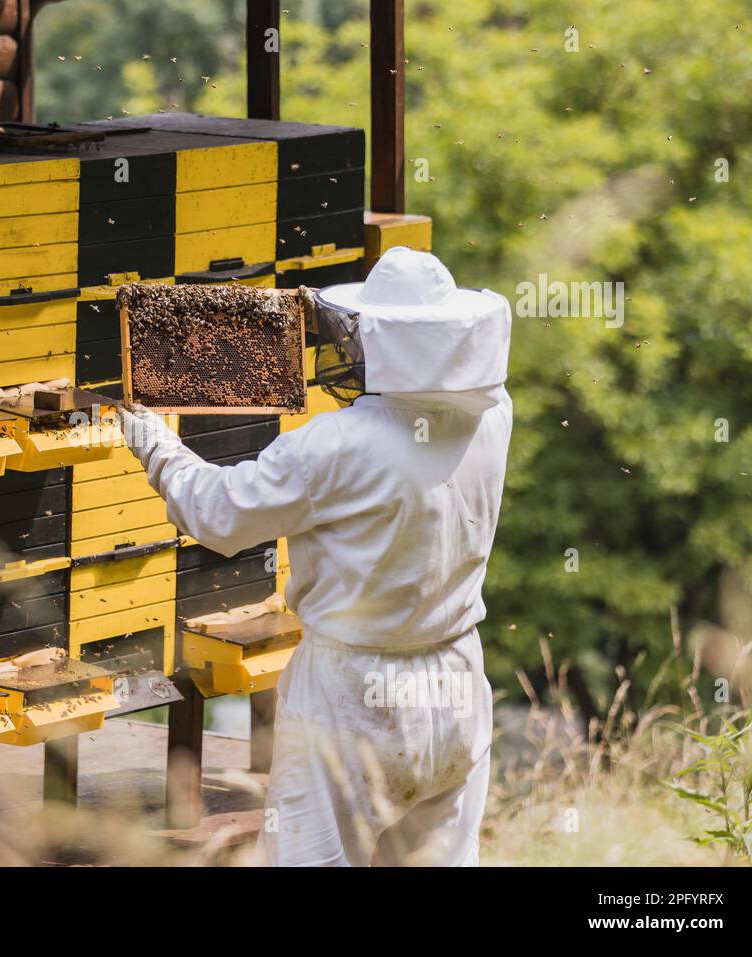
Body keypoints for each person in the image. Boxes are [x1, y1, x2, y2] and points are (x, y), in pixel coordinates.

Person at [118, 247, 512, 866]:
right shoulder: (495, 417)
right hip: (458, 683)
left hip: (352, 696)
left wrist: (153, 443)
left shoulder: (335, 446)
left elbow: (217, 513)